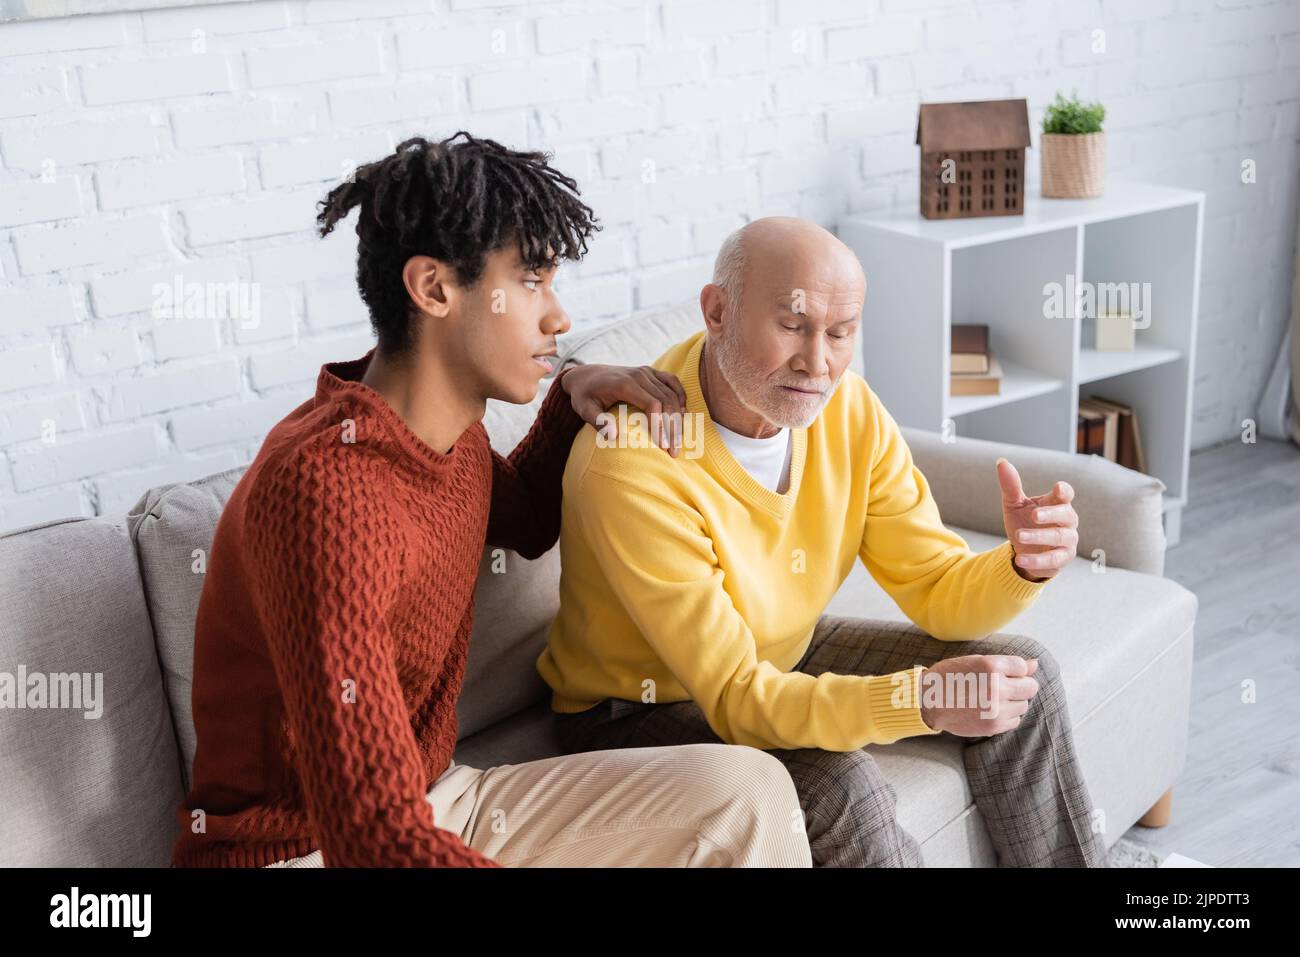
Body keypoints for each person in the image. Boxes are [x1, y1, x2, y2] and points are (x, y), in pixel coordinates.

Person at [171, 136, 811, 869]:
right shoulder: (324, 494)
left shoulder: (450, 430)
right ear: (434, 289)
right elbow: (370, 836)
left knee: (746, 789)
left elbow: (528, 522)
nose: (559, 316)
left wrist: (571, 399)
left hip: (437, 805)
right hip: (304, 853)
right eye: (532, 280)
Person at [539, 216, 1108, 868]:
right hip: (633, 709)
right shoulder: (632, 460)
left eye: (841, 334)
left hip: (777, 653)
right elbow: (735, 696)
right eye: (792, 325)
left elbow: (937, 589)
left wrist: (1022, 566)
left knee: (1023, 678)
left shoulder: (849, 411)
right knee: (843, 786)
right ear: (717, 311)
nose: (818, 362)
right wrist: (918, 700)